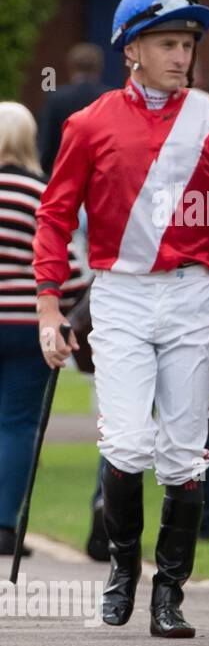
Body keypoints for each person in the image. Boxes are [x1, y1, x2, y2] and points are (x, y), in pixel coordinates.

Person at [33, 0, 209, 638]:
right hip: (120, 294)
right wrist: (50, 306)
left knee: (186, 455)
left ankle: (170, 593)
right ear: (131, 49)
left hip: (192, 294)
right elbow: (54, 216)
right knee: (127, 444)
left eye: (187, 44)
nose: (180, 55)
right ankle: (122, 570)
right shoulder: (89, 123)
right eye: (167, 43)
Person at [0, 102, 88, 558]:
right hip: (25, 323)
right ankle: (3, 526)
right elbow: (66, 269)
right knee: (17, 424)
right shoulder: (38, 192)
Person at [38, 43, 111, 176]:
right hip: (101, 176)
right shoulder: (111, 99)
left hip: (63, 174)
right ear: (100, 67)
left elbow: (47, 145)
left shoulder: (56, 99)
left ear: (70, 66)